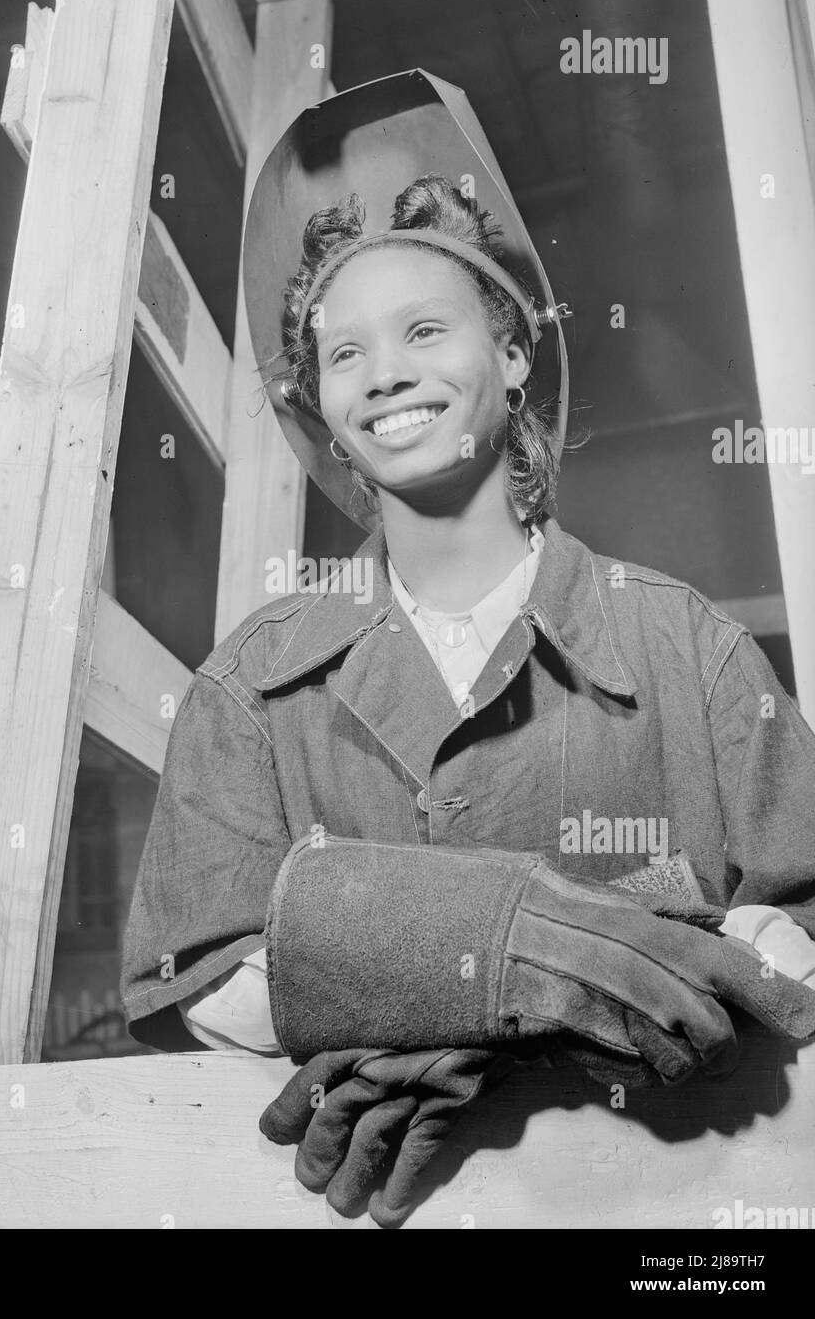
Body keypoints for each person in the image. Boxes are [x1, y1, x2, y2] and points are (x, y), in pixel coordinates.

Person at [121, 71, 815, 1226]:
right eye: (341, 356)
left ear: (509, 356)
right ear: (323, 408)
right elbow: (208, 986)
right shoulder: (248, 690)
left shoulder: (683, 646)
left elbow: (791, 945)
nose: (381, 373)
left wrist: (439, 991)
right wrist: (521, 959)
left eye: (422, 331)